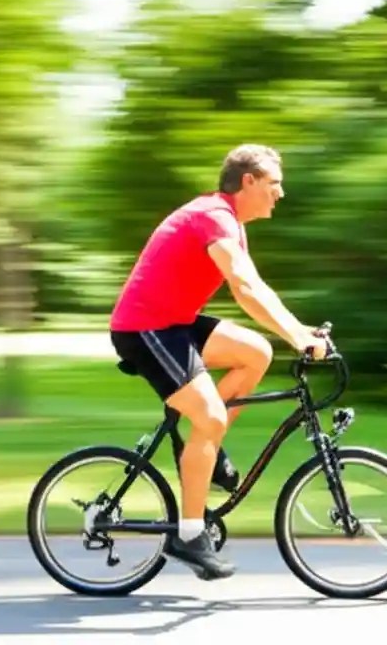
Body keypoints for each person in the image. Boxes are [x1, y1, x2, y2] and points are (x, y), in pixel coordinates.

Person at [108, 143, 329, 580]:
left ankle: (205, 445)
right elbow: (245, 288)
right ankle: (189, 535)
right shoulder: (214, 216)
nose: (280, 194)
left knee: (256, 353)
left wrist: (297, 332)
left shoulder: (229, 223)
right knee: (209, 417)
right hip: (144, 329)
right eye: (274, 184)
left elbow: (256, 288)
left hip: (173, 324)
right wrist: (298, 337)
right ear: (248, 181)